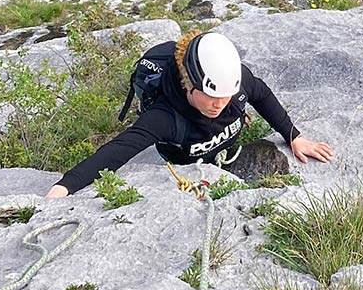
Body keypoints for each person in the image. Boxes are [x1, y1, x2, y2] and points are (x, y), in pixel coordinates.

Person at [44, 31, 332, 197]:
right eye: (211, 96)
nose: (219, 103)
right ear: (187, 84)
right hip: (186, 161)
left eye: (225, 96)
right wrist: (65, 187)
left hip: (220, 147)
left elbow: (262, 93)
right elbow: (118, 150)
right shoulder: (164, 118)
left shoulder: (236, 81)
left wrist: (293, 136)